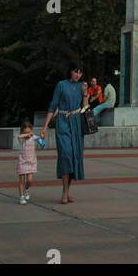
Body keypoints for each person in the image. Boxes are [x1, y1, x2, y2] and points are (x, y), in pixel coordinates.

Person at [41, 62, 87, 204]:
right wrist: (45, 126)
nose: (77, 75)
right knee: (65, 156)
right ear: (70, 72)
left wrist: (85, 93)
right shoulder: (61, 85)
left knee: (74, 157)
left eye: (80, 72)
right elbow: (53, 105)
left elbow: (85, 107)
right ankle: (64, 192)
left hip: (76, 123)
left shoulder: (81, 86)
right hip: (62, 122)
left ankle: (67, 192)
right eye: (75, 71)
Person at [16, 118, 37, 204]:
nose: (27, 134)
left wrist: (41, 138)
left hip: (31, 162)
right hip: (22, 162)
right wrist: (25, 135)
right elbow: (19, 136)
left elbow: (40, 139)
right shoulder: (22, 139)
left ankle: (26, 189)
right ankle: (21, 197)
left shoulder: (33, 137)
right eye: (25, 132)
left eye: (29, 132)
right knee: (21, 181)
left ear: (31, 131)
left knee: (29, 180)